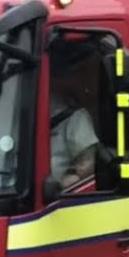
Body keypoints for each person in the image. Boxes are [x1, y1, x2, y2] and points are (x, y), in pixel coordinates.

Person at [49, 39, 104, 189]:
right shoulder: (22, 112)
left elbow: (89, 159)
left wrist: (70, 180)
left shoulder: (74, 117)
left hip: (59, 198)